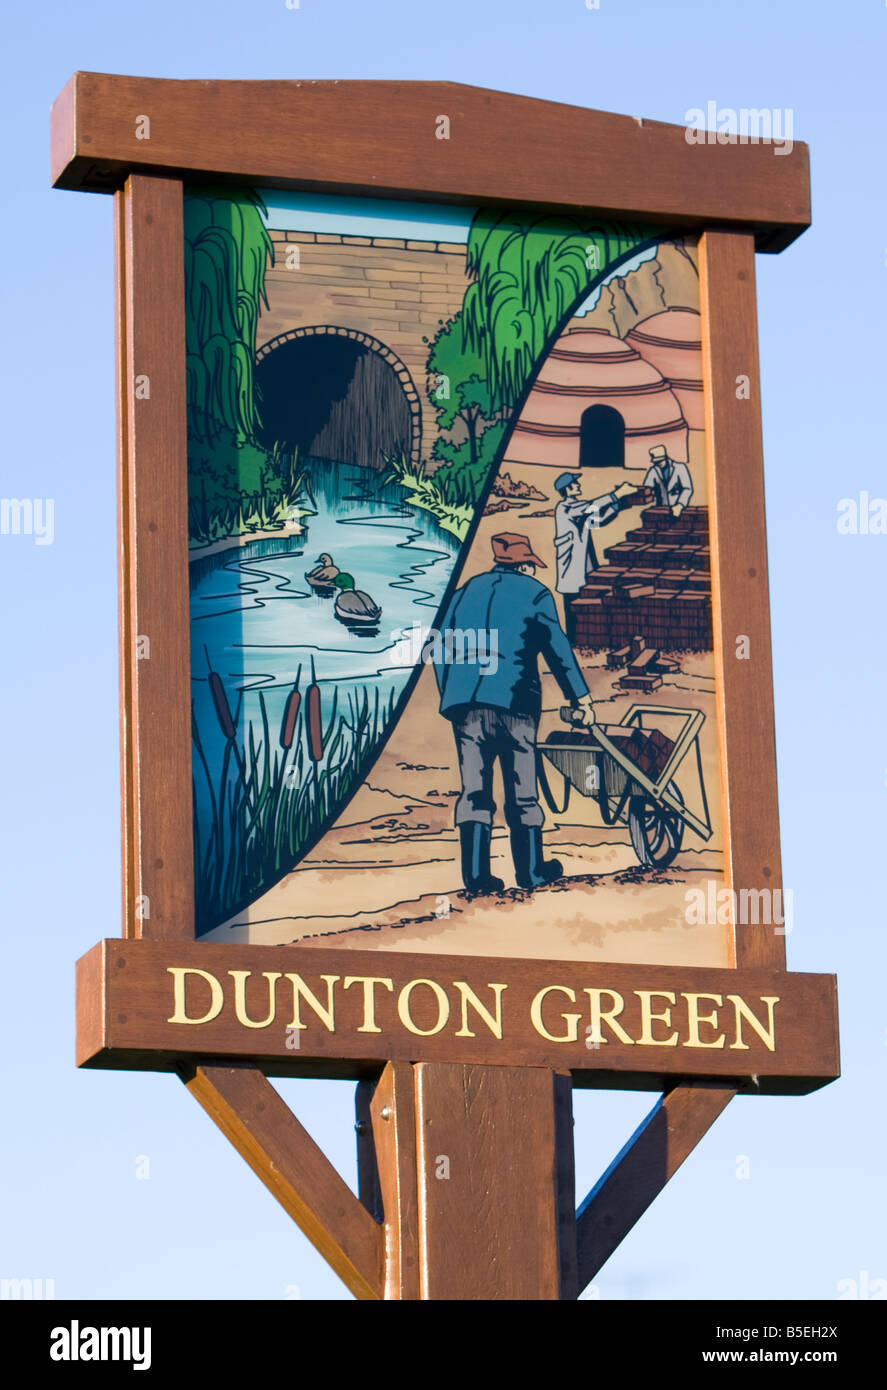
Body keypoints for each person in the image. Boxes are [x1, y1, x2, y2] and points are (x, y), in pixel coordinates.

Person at [428, 532, 597, 896]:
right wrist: (579, 697)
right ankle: (532, 871)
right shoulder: (535, 594)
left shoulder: (463, 593)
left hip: (466, 706)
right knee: (522, 789)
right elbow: (558, 650)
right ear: (524, 564)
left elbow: (437, 644)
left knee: (473, 789)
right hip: (515, 703)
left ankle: (476, 878)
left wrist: (451, 693)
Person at [553, 471, 639, 641]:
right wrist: (617, 494)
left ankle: (582, 642)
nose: (578, 485)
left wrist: (619, 505)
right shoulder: (566, 508)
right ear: (567, 489)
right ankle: (573, 643)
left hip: (585, 570)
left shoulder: (577, 510)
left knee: (586, 609)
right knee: (573, 613)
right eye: (575, 484)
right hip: (571, 572)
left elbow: (598, 520)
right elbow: (591, 506)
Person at [643, 444, 693, 516]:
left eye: (660, 461)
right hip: (662, 509)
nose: (658, 463)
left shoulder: (680, 468)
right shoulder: (653, 470)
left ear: (665, 458)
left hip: (679, 508)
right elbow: (647, 487)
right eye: (656, 462)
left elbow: (688, 489)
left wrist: (680, 505)